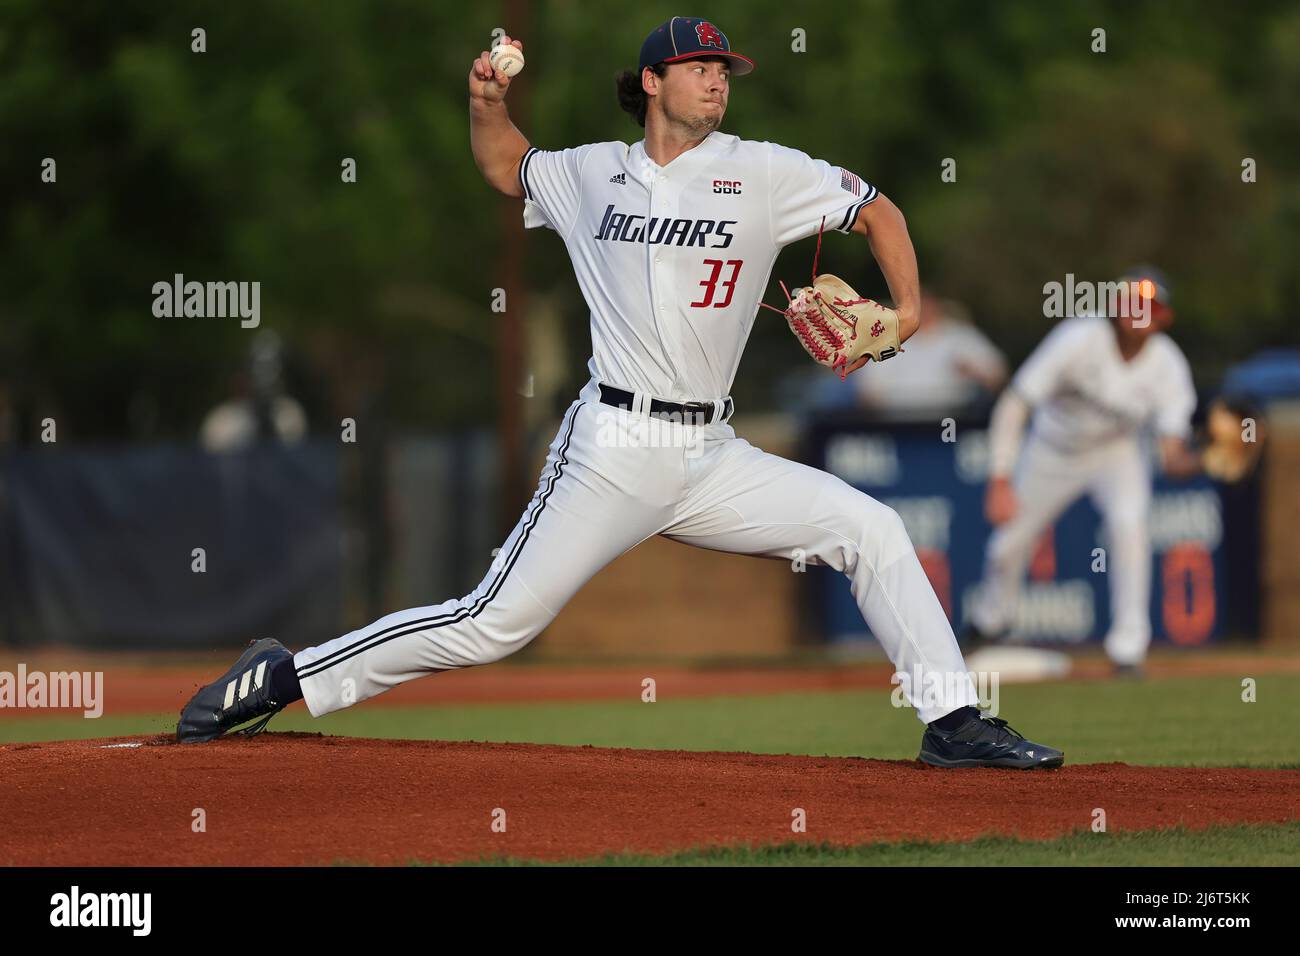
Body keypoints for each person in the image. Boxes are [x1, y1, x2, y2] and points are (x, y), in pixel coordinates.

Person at [178, 17, 1062, 769]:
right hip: (612, 445)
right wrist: (487, 102)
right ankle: (284, 675)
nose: (718, 81)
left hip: (713, 457)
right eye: (699, 68)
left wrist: (906, 314)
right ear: (651, 81)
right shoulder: (590, 172)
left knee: (872, 529)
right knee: (494, 624)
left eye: (724, 70)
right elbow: (506, 168)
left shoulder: (763, 170)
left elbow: (880, 211)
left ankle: (951, 721)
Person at [966, 267, 1200, 677]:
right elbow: (1015, 402)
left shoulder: (1169, 365)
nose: (1138, 313)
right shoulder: (1079, 338)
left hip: (1117, 452)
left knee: (1130, 529)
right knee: (1008, 543)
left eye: (1149, 307)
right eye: (1131, 303)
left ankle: (1128, 650)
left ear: (1164, 317)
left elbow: (1171, 454)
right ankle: (990, 621)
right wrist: (1000, 477)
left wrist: (1206, 460)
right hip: (1053, 449)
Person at [852, 291, 1007, 419]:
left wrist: (974, 373)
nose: (923, 312)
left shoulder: (962, 337)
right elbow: (868, 392)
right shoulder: (885, 340)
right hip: (899, 420)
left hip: (954, 417)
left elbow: (997, 375)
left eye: (927, 306)